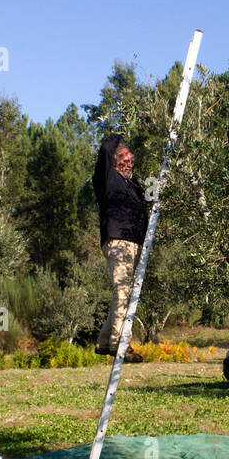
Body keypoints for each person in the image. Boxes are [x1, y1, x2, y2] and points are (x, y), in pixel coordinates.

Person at [93, 133, 149, 362]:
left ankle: (105, 341)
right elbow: (106, 148)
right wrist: (120, 135)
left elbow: (148, 204)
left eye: (131, 160)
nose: (128, 163)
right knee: (123, 293)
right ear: (114, 159)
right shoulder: (106, 179)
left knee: (125, 294)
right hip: (118, 242)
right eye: (123, 158)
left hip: (134, 244)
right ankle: (120, 343)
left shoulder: (132, 185)